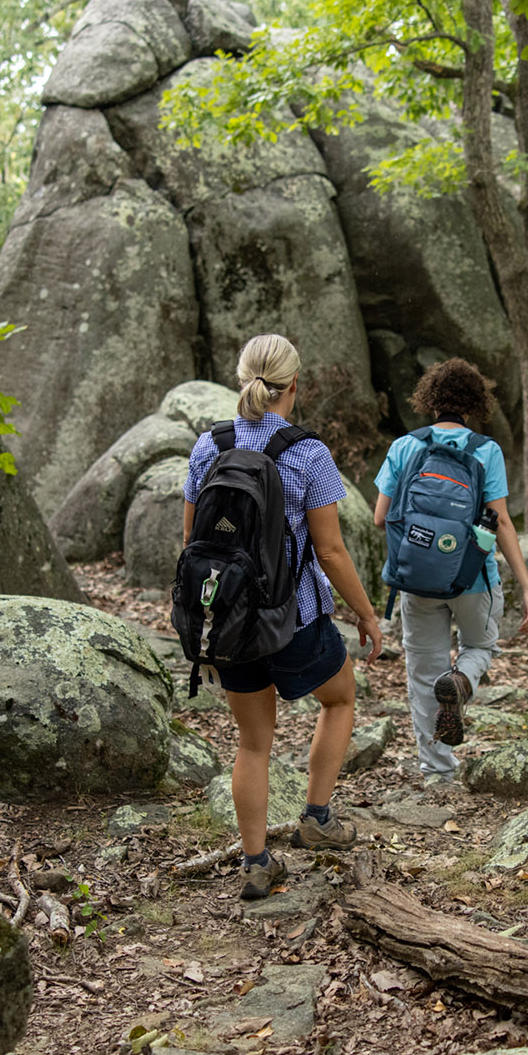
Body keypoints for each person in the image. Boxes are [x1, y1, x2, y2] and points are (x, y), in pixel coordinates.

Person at [181, 333, 384, 901]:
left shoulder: (207, 447)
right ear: (294, 386)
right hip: (295, 618)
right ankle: (317, 817)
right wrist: (365, 614)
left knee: (253, 743)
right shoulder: (307, 453)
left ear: (240, 378)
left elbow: (192, 541)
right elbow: (331, 552)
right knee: (340, 697)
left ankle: (255, 864)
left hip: (229, 620)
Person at [373, 358, 528, 784]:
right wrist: (527, 586)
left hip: (416, 579)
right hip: (472, 577)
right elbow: (499, 522)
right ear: (474, 403)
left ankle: (437, 775)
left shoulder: (405, 447)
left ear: (429, 400)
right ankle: (463, 681)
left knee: (424, 674)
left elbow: (379, 518)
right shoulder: (486, 450)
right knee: (481, 646)